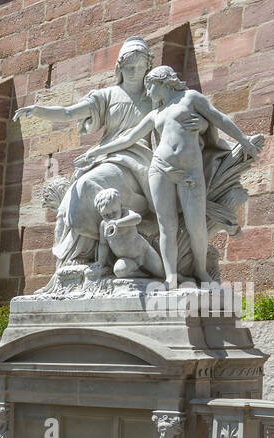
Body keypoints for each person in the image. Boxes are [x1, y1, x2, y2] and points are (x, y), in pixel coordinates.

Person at [12, 37, 199, 270]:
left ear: (147, 67)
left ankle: (96, 254)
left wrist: (199, 125)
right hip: (106, 155)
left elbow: (179, 117)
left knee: (88, 184)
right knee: (76, 192)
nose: (134, 72)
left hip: (137, 159)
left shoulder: (155, 96)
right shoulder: (107, 95)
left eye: (140, 67)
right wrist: (39, 110)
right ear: (120, 67)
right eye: (129, 67)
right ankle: (81, 257)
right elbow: (69, 113)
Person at [75, 66, 263, 288]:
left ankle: (201, 270)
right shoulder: (156, 114)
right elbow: (128, 139)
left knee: (196, 225)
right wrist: (94, 152)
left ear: (161, 81)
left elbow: (218, 118)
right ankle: (171, 275)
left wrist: (244, 141)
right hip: (160, 169)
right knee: (167, 226)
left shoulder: (190, 98)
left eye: (149, 86)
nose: (148, 92)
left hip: (189, 171)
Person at [92, 187, 163, 279]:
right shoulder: (103, 225)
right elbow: (103, 244)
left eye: (114, 212)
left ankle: (179, 278)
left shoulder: (126, 214)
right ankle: (143, 275)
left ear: (120, 206)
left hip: (144, 253)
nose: (111, 217)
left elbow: (137, 218)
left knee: (161, 273)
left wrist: (117, 223)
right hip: (127, 260)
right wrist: (101, 261)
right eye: (105, 215)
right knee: (118, 271)